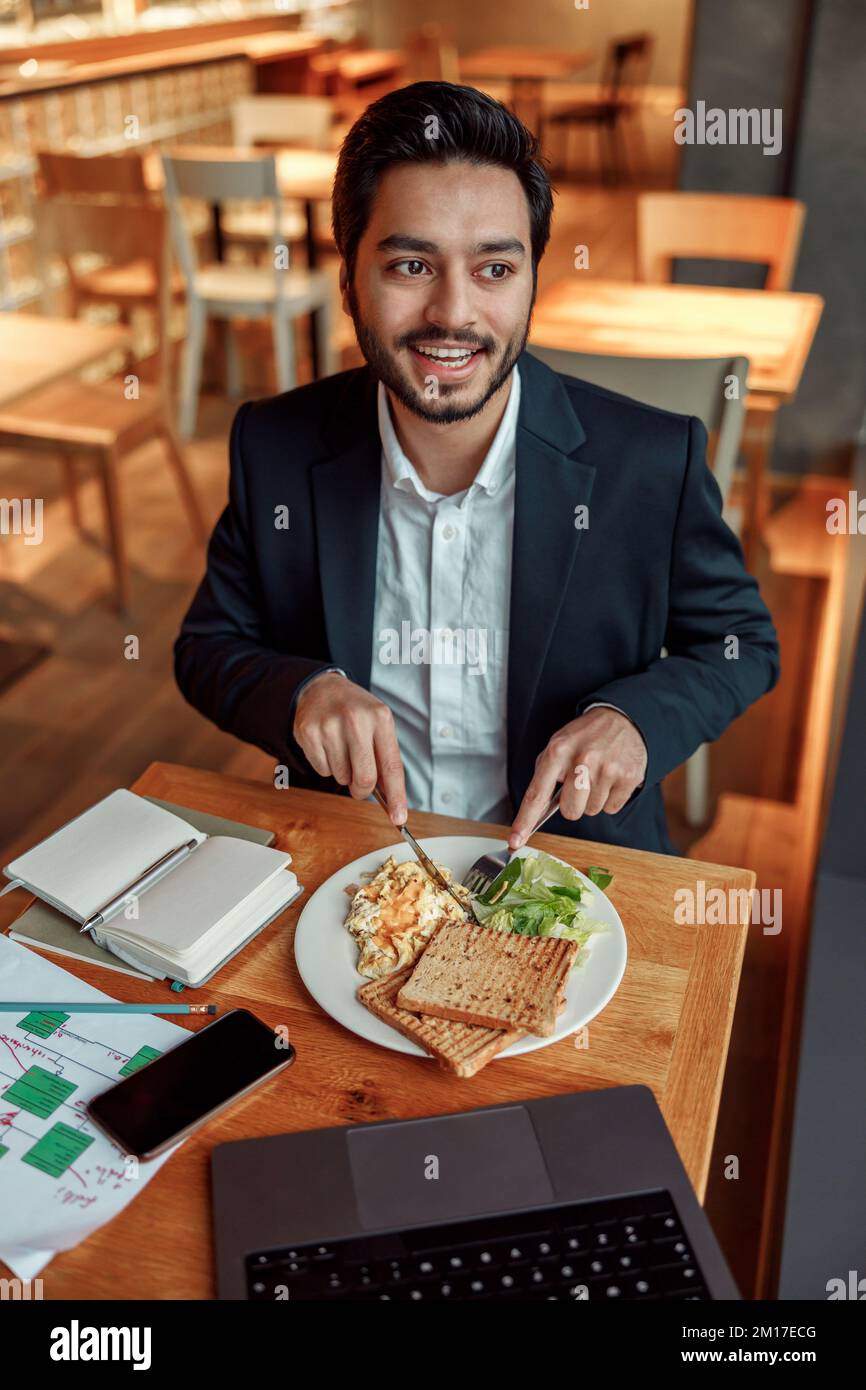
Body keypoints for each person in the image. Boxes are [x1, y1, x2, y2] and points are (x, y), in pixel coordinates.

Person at [174, 81, 780, 856]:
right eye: (410, 266)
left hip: (581, 866)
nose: (453, 315)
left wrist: (633, 719)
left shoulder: (651, 462)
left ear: (532, 281)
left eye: (494, 270)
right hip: (350, 859)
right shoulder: (275, 445)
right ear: (349, 280)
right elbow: (207, 646)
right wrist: (302, 691)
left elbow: (739, 642)